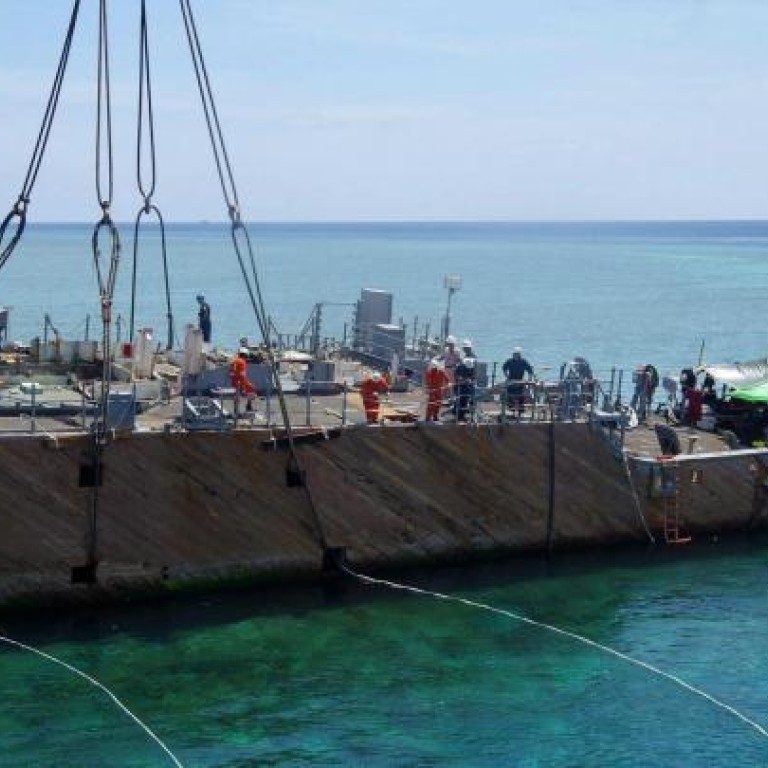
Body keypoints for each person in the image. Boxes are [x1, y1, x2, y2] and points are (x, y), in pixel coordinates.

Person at [502, 347, 534, 419]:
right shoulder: (509, 361)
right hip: (511, 381)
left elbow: (530, 371)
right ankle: (512, 411)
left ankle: (520, 412)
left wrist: (529, 380)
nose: (516, 355)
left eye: (517, 354)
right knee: (510, 396)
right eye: (515, 354)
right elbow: (504, 368)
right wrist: (507, 377)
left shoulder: (523, 361)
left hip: (520, 381)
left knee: (521, 397)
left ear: (520, 355)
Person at [229, 347, 257, 412]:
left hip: (234, 381)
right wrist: (243, 387)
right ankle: (248, 406)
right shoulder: (242, 362)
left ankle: (236, 409)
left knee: (237, 395)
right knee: (252, 389)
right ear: (245, 355)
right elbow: (242, 375)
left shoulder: (234, 361)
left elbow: (231, 373)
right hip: (240, 381)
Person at [454, 355, 477, 423]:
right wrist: (464, 380)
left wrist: (471, 380)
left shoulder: (471, 368)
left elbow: (473, 377)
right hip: (460, 387)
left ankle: (470, 415)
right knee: (461, 401)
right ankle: (459, 416)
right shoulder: (459, 368)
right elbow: (457, 377)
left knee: (471, 400)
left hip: (469, 386)